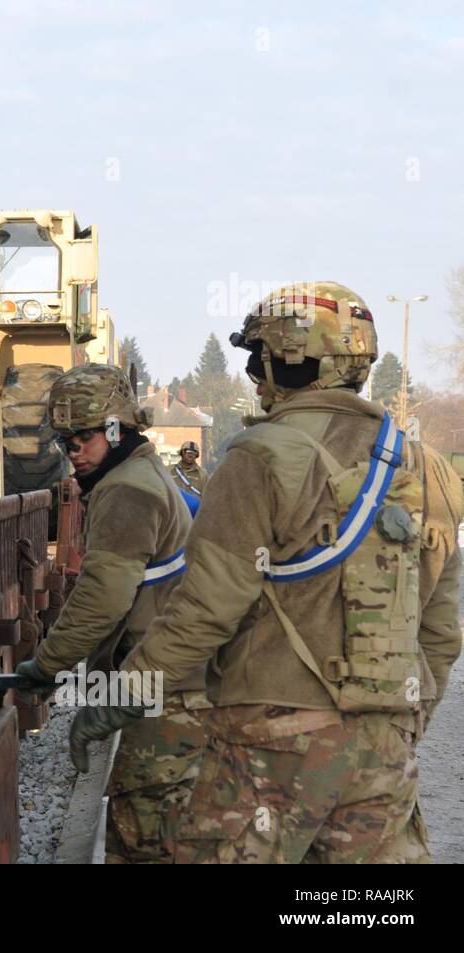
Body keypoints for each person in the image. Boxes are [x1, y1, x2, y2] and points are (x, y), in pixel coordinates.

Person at [69, 282, 463, 863]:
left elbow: (204, 612)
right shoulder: (427, 467)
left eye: (259, 358)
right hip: (385, 746)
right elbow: (441, 631)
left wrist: (116, 699)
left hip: (271, 744)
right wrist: (398, 724)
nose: (255, 375)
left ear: (292, 363)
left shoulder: (260, 457)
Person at [14, 363, 204, 863]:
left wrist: (47, 665)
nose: (71, 454)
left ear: (117, 431)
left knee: (144, 832)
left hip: (166, 692)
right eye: (63, 443)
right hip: (164, 679)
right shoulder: (137, 474)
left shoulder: (127, 489)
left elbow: (105, 596)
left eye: (81, 440)